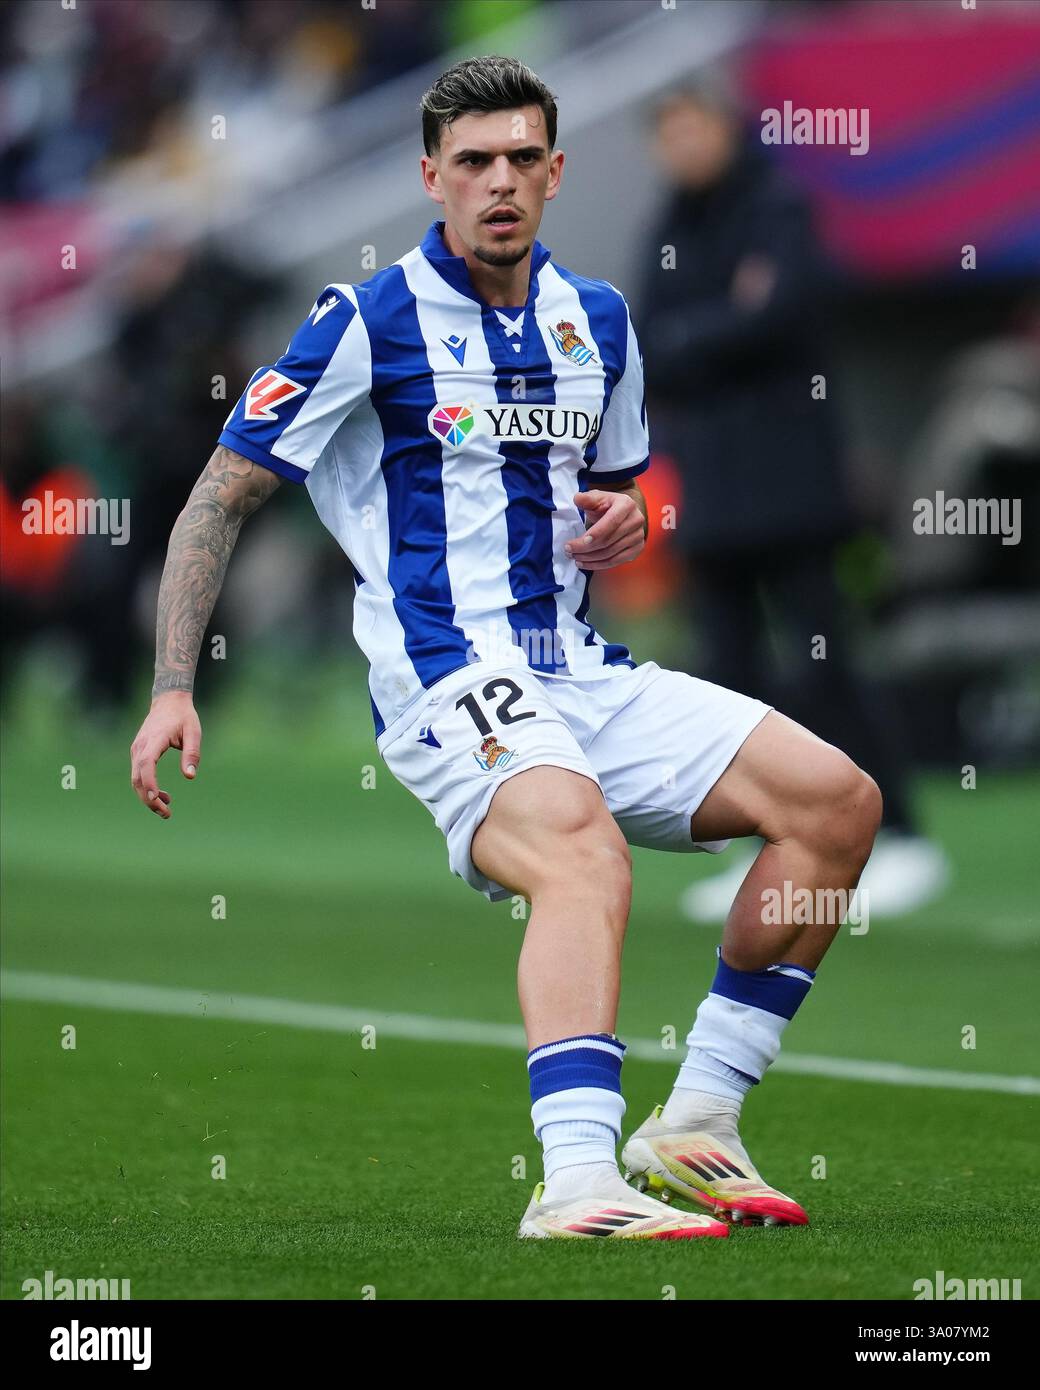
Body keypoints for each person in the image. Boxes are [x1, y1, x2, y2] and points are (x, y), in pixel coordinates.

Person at [129, 55, 881, 1241]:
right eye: (472, 162)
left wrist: (632, 517)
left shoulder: (600, 321)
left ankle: (694, 1121)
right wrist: (174, 684)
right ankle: (575, 1177)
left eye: (521, 159)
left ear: (555, 172)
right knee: (582, 856)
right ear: (429, 176)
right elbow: (218, 498)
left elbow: (616, 493)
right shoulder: (361, 323)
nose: (498, 183)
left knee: (834, 806)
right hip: (443, 676)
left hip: (577, 668)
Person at [637, 85, 948, 923]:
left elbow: (772, 318)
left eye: (694, 127)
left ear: (726, 129)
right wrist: (712, 327)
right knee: (728, 678)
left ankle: (903, 835)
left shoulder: (778, 207)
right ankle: (764, 848)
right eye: (669, 134)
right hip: (712, 489)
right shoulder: (670, 225)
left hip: (791, 490)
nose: (683, 147)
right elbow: (650, 339)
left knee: (824, 666)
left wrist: (697, 337)